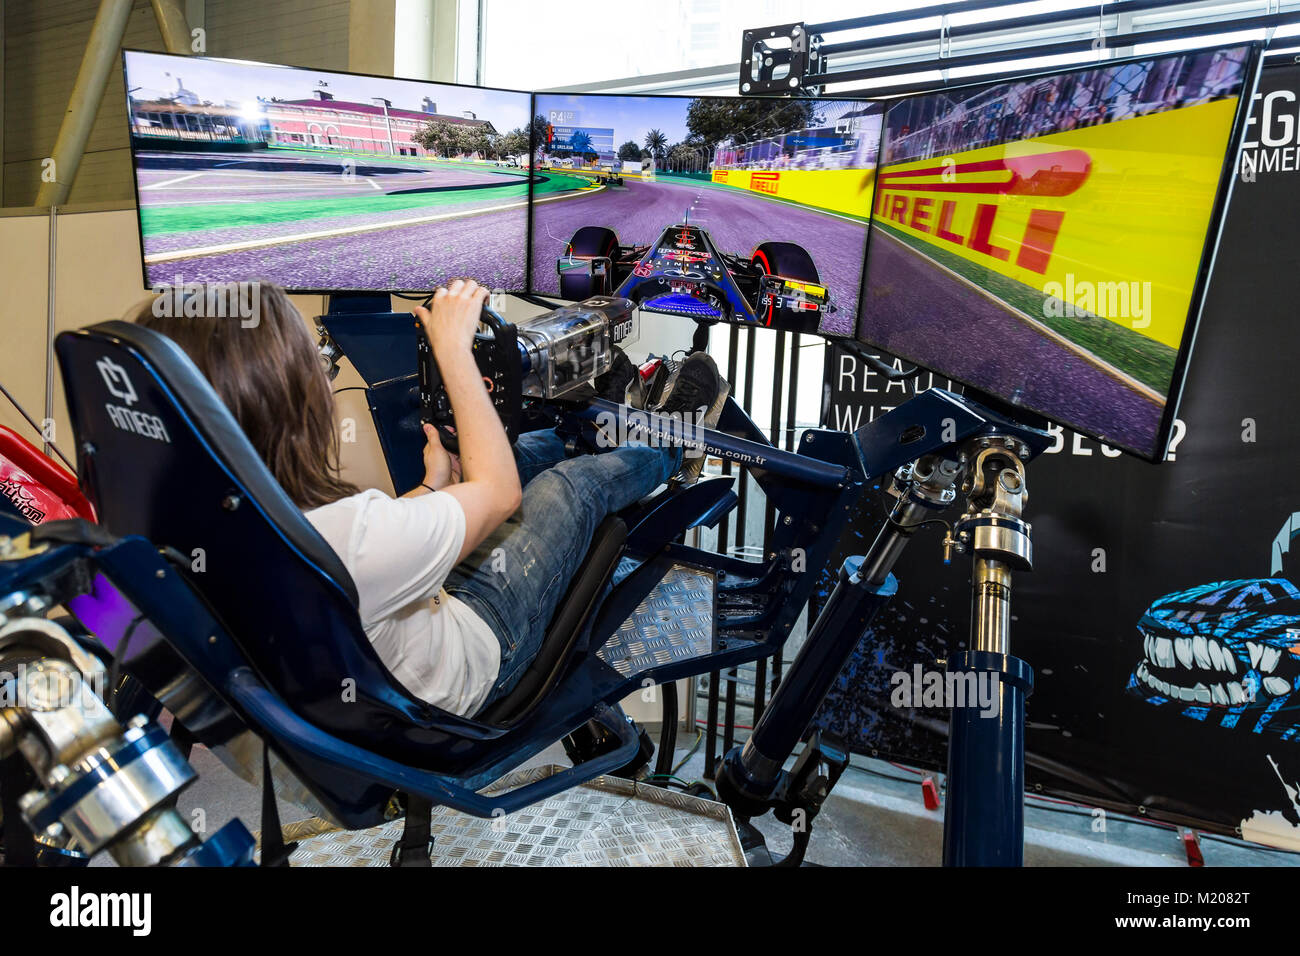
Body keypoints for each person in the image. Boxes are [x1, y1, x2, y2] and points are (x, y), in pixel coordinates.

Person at [132, 279, 729, 718]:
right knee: (566, 488)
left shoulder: (181, 532)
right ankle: (674, 441)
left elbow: (388, 530)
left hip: (398, 645)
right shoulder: (347, 537)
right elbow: (496, 495)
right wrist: (454, 351)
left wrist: (431, 486)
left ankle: (617, 432)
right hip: (470, 661)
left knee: (528, 452)